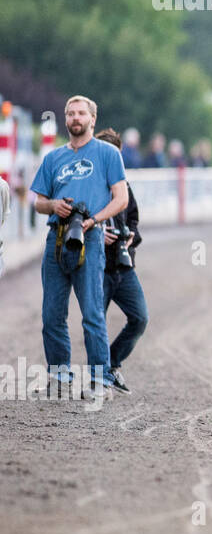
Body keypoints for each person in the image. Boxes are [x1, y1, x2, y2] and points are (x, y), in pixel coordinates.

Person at [30, 96, 128, 398]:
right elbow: (38, 203)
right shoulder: (52, 158)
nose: (75, 118)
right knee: (51, 315)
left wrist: (94, 219)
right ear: (65, 118)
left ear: (92, 119)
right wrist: (54, 205)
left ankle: (101, 380)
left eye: (81, 113)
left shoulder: (108, 154)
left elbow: (120, 198)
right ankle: (60, 377)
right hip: (56, 238)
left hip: (91, 237)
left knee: (92, 313)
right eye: (70, 113)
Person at [95, 129, 148, 394]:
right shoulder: (89, 185)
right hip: (97, 267)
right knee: (96, 323)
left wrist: (130, 239)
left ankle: (113, 363)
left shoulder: (124, 185)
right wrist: (96, 233)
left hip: (124, 266)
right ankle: (99, 377)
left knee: (139, 319)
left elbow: (134, 220)